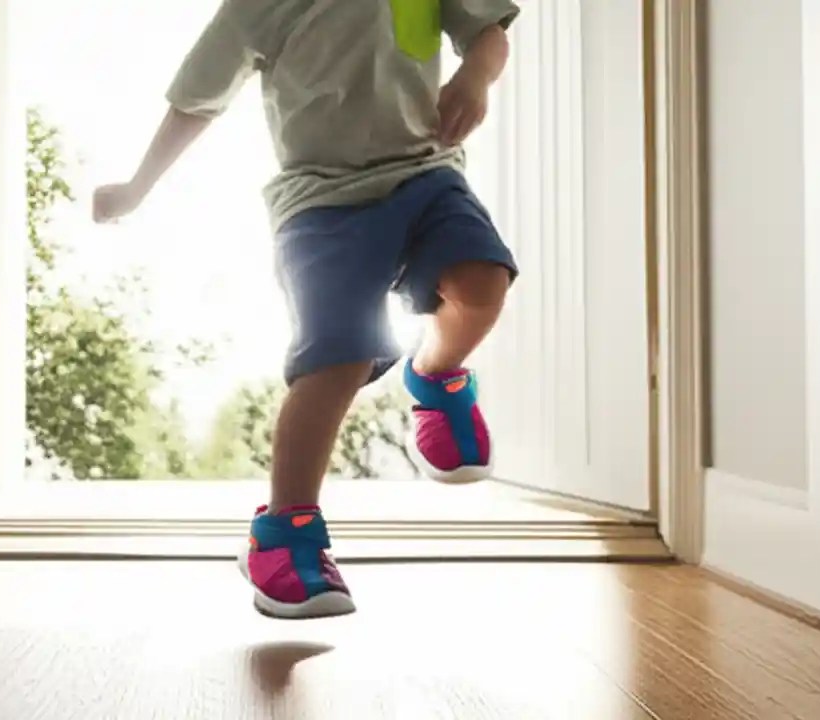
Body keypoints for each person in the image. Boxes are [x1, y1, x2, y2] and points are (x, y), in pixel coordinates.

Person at [92, 0, 520, 618]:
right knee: (336, 359)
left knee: (482, 282)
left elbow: (488, 36)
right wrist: (136, 188)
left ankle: (435, 376)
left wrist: (474, 76)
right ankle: (283, 532)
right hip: (320, 200)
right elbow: (195, 100)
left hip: (426, 175)